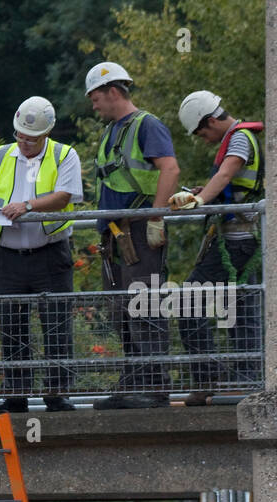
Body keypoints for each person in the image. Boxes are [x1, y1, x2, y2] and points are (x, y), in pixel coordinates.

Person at [0, 95, 84, 412]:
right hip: (9, 255)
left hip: (50, 253)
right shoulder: (0, 155)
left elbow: (64, 196)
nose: (24, 143)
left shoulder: (65, 155)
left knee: (56, 324)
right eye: (20, 135)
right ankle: (16, 396)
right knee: (11, 325)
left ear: (46, 134)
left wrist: (28, 206)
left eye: (31, 139)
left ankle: (57, 394)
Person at [85, 61, 181, 409]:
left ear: (113, 92)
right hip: (116, 236)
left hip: (140, 232)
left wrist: (155, 215)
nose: (92, 104)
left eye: (95, 96)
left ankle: (155, 389)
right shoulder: (112, 131)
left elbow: (169, 168)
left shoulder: (146, 125)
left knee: (145, 307)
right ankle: (133, 383)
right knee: (121, 311)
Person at [171, 90, 264, 404]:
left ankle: (211, 379)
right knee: (240, 309)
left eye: (202, 132)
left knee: (188, 300)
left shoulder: (239, 140)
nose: (204, 139)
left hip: (237, 243)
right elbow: (228, 184)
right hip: (238, 241)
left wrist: (199, 200)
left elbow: (226, 174)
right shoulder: (238, 137)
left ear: (212, 121)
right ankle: (242, 380)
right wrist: (202, 193)